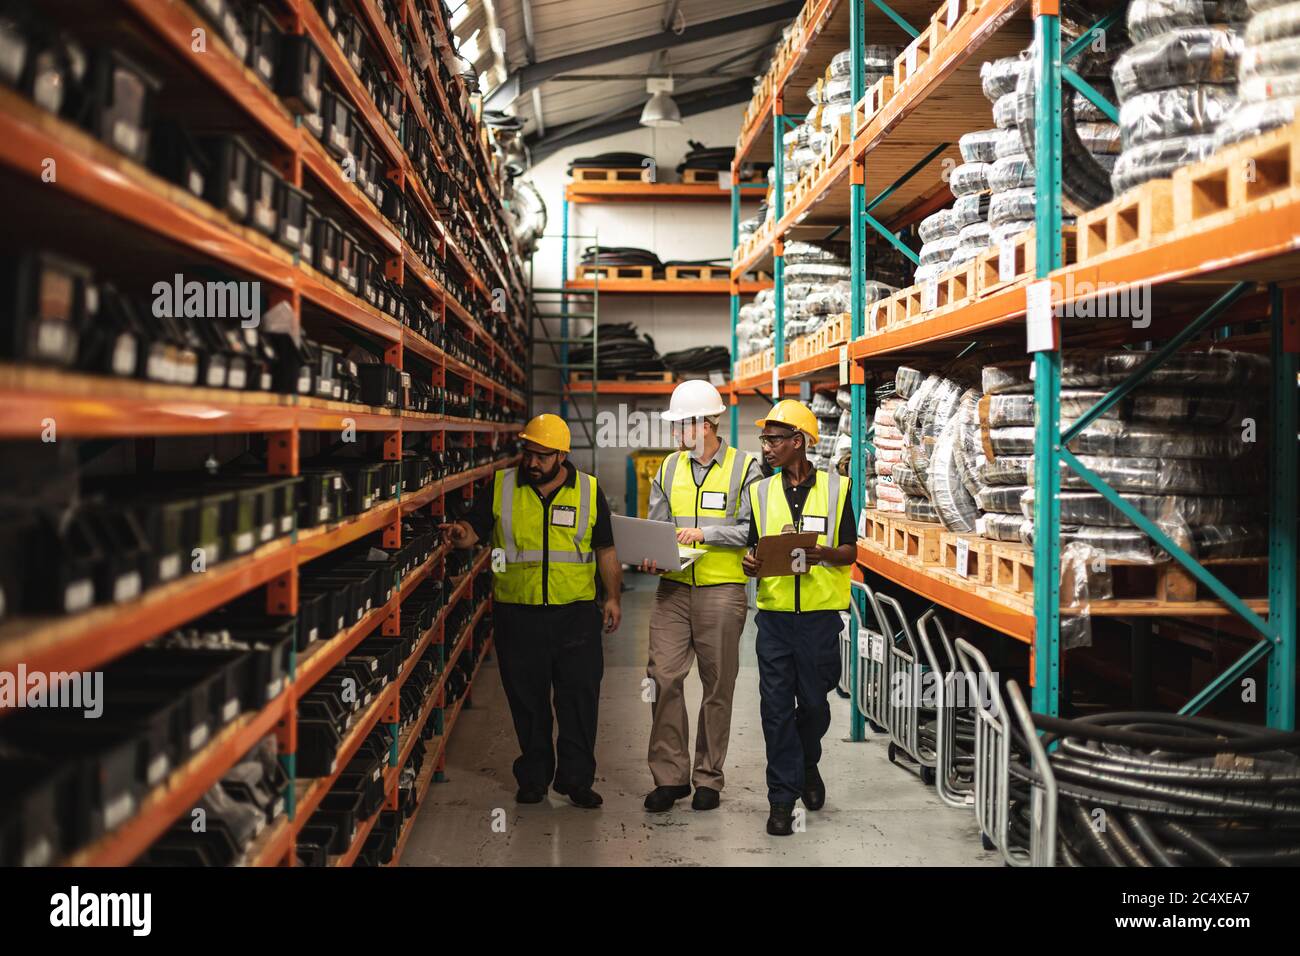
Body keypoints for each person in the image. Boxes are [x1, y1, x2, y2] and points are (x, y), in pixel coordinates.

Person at [442, 413, 622, 808]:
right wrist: (462, 536)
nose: (532, 463)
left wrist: (612, 597)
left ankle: (576, 780)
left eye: (541, 456)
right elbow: (475, 528)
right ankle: (534, 777)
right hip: (517, 614)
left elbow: (605, 549)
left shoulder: (589, 491)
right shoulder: (503, 486)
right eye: (528, 453)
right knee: (527, 701)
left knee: (579, 700)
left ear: (561, 455)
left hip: (575, 615)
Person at [640, 380, 762, 813]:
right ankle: (670, 777)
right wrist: (650, 554)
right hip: (673, 589)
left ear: (706, 424)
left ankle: (708, 776)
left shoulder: (745, 467)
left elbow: (753, 529)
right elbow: (657, 526)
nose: (676, 435)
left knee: (718, 684)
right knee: (663, 677)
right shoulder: (668, 468)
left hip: (722, 590)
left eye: (683, 426)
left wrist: (705, 534)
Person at [742, 400, 857, 836]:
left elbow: (850, 550)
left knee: (812, 704)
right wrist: (750, 564)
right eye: (765, 440)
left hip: (819, 618)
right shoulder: (760, 491)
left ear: (799, 442)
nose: (766, 447)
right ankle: (781, 798)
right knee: (774, 709)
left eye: (774, 439)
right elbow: (754, 549)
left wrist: (823, 553)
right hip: (774, 619)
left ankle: (808, 762)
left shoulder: (837, 488)